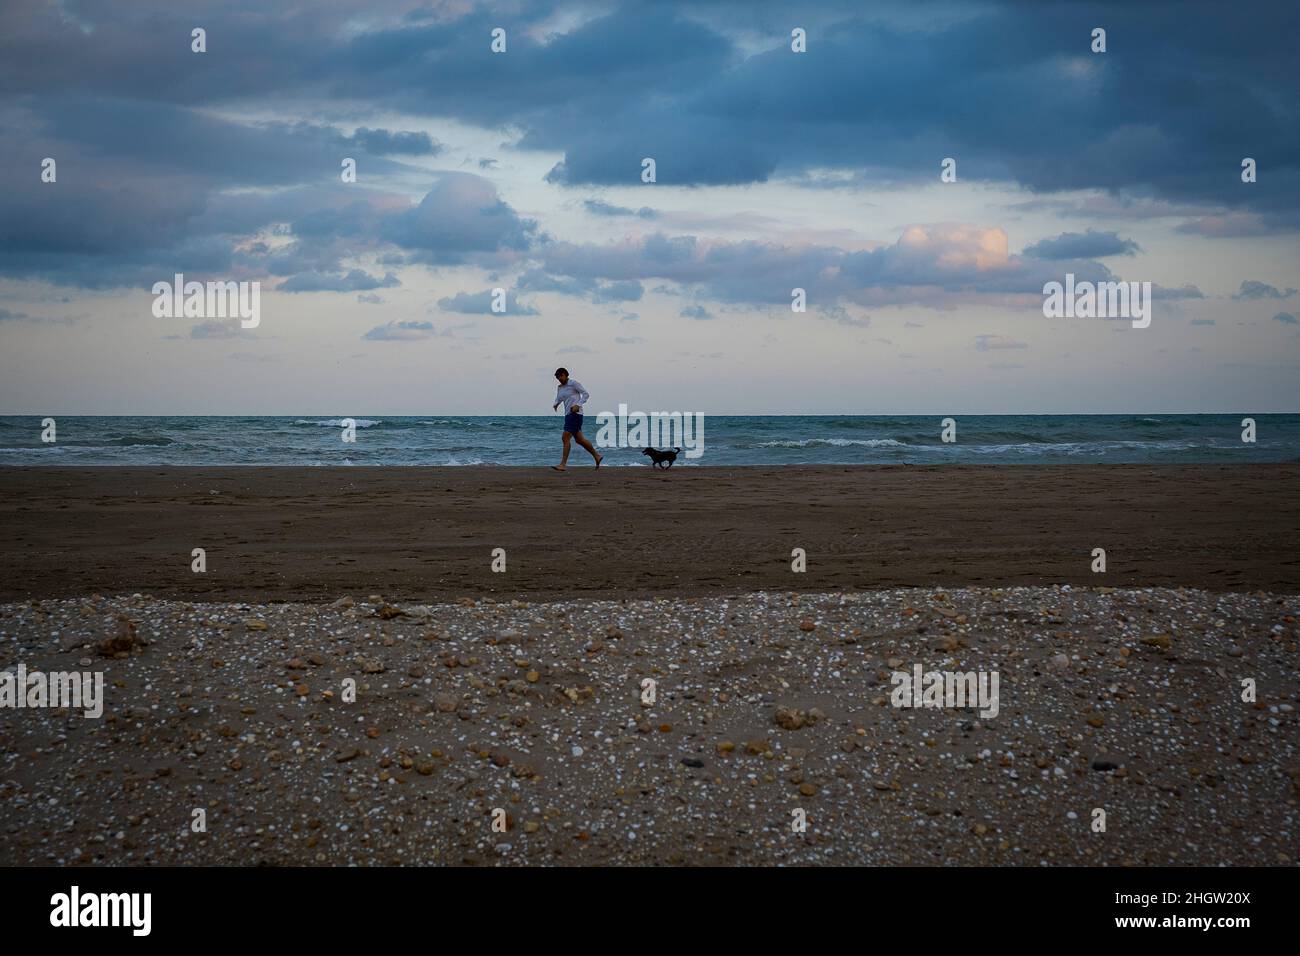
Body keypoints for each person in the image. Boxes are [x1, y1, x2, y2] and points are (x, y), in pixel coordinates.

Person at [551, 367, 602, 470]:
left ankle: (563, 464)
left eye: (561, 376)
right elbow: (559, 397)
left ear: (566, 375)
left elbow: (586, 394)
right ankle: (597, 456)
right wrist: (556, 404)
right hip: (568, 415)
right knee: (579, 440)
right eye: (557, 377)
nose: (559, 378)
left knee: (565, 438)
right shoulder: (560, 387)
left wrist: (578, 405)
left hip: (576, 414)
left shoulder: (573, 383)